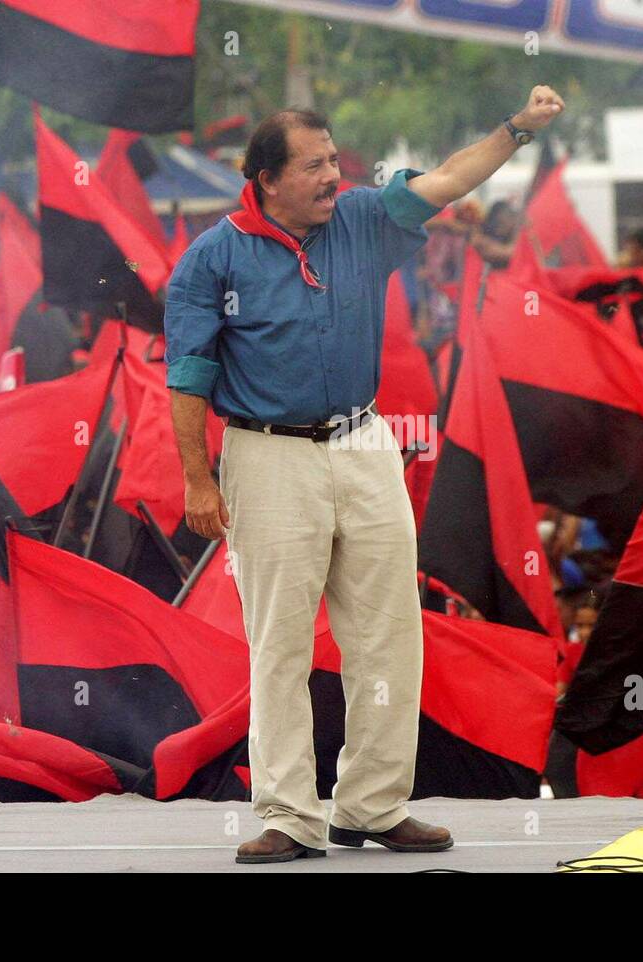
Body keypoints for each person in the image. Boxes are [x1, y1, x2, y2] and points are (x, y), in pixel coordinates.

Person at [165, 87, 566, 864]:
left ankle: (374, 806)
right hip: (267, 454)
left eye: (333, 160)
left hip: (364, 442)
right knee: (279, 642)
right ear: (266, 179)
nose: (331, 176)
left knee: (389, 635)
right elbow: (188, 375)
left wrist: (517, 128)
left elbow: (449, 180)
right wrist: (197, 480)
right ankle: (289, 814)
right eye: (314, 166)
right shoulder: (211, 258)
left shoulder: (362, 218)